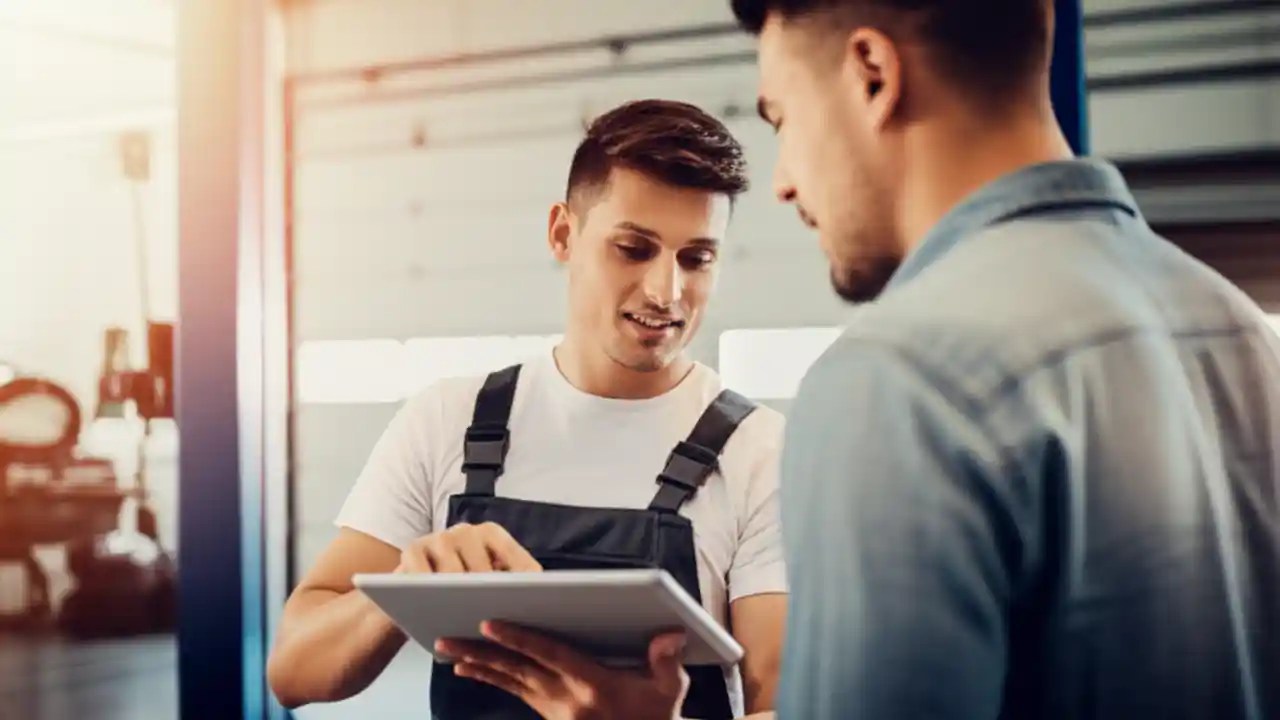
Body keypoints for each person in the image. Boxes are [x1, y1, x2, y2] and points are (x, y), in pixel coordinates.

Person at [731, 1, 1280, 719]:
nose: (784, 181)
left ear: (872, 74)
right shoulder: (1238, 331)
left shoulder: (898, 379)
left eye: (782, 121)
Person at [267, 98, 788, 720]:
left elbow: (782, 702)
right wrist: (404, 588)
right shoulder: (446, 421)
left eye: (696, 258)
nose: (666, 291)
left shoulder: (760, 451)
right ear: (563, 234)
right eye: (633, 248)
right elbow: (293, 671)